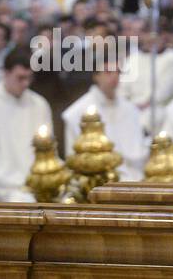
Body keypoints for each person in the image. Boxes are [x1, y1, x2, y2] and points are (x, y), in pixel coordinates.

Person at [0, 47, 53, 202]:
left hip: (37, 184)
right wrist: (23, 186)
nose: (26, 83)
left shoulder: (40, 104)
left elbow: (48, 152)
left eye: (29, 78)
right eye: (20, 78)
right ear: (5, 73)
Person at [62, 50, 151, 181]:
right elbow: (73, 158)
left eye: (118, 72)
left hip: (134, 177)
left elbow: (139, 151)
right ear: (96, 76)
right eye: (108, 72)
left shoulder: (130, 109)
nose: (115, 77)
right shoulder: (78, 112)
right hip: (97, 179)